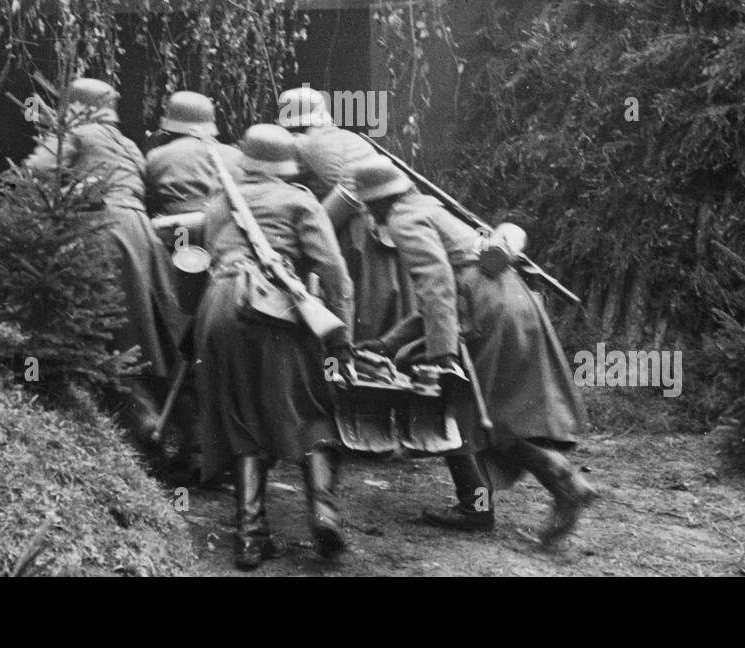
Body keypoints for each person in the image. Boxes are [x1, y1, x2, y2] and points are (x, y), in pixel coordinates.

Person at [352, 156, 599, 545]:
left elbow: (438, 289)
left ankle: (539, 487)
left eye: (367, 205)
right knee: (489, 412)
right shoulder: (429, 208)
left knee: (457, 407)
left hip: (483, 307)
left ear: (378, 201)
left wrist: (442, 355)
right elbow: (440, 293)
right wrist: (388, 344)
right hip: (508, 297)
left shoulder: (404, 221)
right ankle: (502, 498)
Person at [194, 124, 355, 569]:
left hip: (219, 306)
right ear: (287, 165)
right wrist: (342, 339)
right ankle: (323, 511)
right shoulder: (299, 199)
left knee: (244, 418)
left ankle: (250, 537)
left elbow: (210, 253)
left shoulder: (218, 202)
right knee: (310, 409)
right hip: (273, 307)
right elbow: (334, 270)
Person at [24, 78, 188, 445]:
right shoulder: (128, 144)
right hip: (142, 234)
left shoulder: (76, 134)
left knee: (111, 331)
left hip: (103, 230)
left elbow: (36, 171)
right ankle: (174, 427)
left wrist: (67, 192)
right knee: (144, 332)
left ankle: (139, 429)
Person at [277, 86, 412, 342]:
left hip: (352, 234)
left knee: (354, 304)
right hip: (384, 228)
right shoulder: (353, 138)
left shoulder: (300, 144)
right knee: (386, 303)